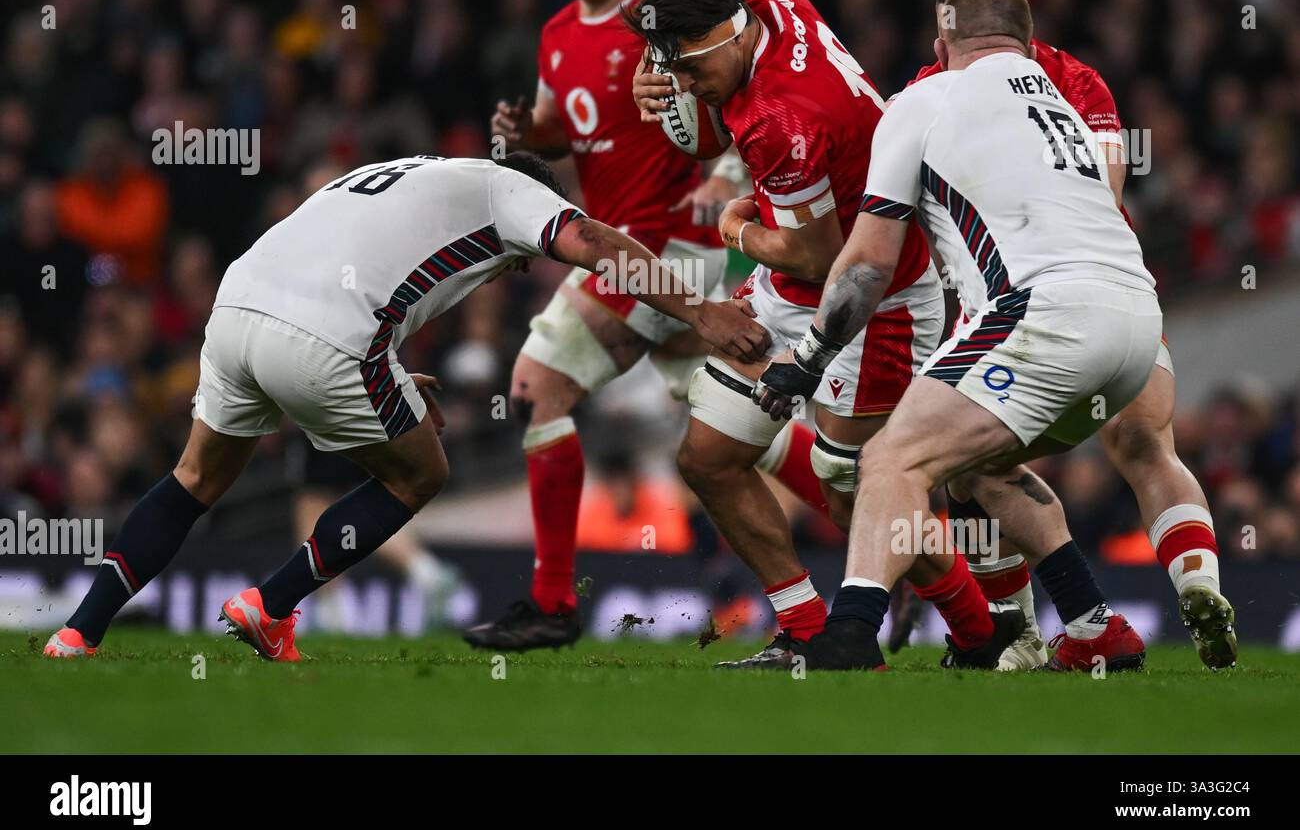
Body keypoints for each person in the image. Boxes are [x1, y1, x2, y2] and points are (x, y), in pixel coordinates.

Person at [45, 153, 768, 660]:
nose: (509, 274)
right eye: (517, 264)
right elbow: (596, 242)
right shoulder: (510, 191)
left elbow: (355, 269)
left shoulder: (403, 175)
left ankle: (77, 633)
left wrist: (384, 373)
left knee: (195, 479)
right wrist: (700, 310)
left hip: (238, 305)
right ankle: (270, 606)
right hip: (327, 338)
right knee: (420, 472)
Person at [750, 0, 1162, 672]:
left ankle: (848, 635)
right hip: (1137, 326)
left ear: (940, 47)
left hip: (1042, 314)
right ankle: (1095, 628)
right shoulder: (1064, 104)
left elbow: (866, 265)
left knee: (890, 459)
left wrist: (810, 356)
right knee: (979, 467)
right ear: (1028, 45)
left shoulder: (926, 99)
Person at [629, 0, 1025, 670]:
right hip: (798, 286)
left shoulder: (787, 120)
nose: (685, 84)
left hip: (873, 302)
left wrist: (733, 230)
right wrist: (652, 79)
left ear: (727, 35)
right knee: (710, 458)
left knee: (859, 500)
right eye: (675, 68)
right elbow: (705, 106)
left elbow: (815, 256)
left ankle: (977, 633)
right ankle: (806, 627)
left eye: (688, 68)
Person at [464, 0, 825, 654]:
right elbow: (565, 130)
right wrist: (526, 130)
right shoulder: (559, 34)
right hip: (627, 247)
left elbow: (730, 95)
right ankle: (907, 556)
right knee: (745, 430)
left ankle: (554, 602)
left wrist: (727, 178)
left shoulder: (661, 24)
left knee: (540, 383)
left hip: (663, 247)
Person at [908, 0, 1236, 671]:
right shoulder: (1077, 80)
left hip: (1018, 303)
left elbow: (900, 210)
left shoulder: (930, 89)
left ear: (952, 31)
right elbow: (1109, 185)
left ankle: (1018, 630)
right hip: (1120, 291)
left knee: (968, 467)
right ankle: (1200, 584)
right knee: (1148, 446)